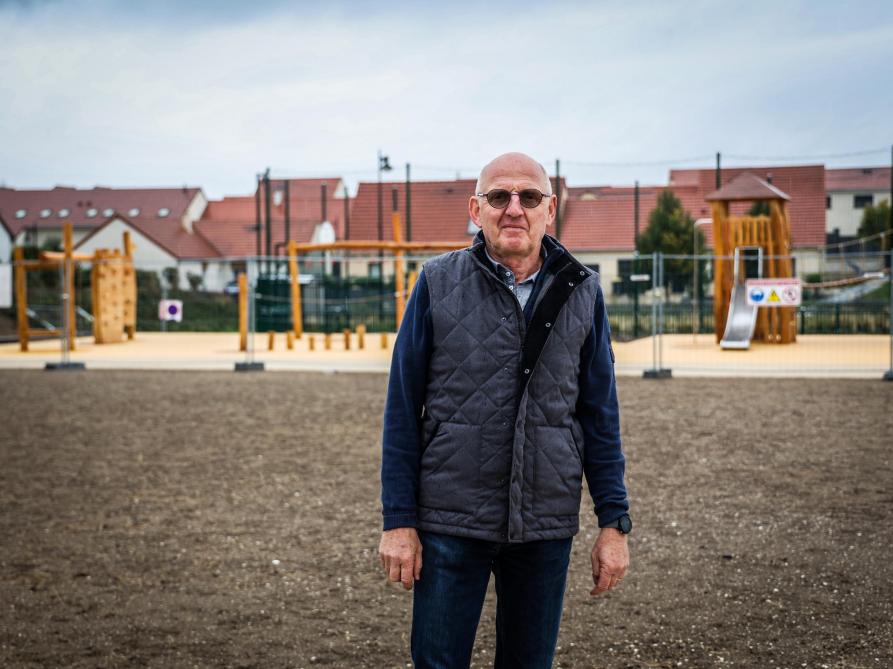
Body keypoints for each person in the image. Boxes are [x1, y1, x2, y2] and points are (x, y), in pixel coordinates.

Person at [378, 152, 631, 669]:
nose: (514, 209)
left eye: (528, 197)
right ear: (476, 209)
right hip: (450, 521)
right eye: (499, 197)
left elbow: (600, 414)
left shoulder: (582, 291)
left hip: (544, 524)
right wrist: (398, 521)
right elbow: (402, 408)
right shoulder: (437, 282)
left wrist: (614, 523)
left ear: (549, 209)